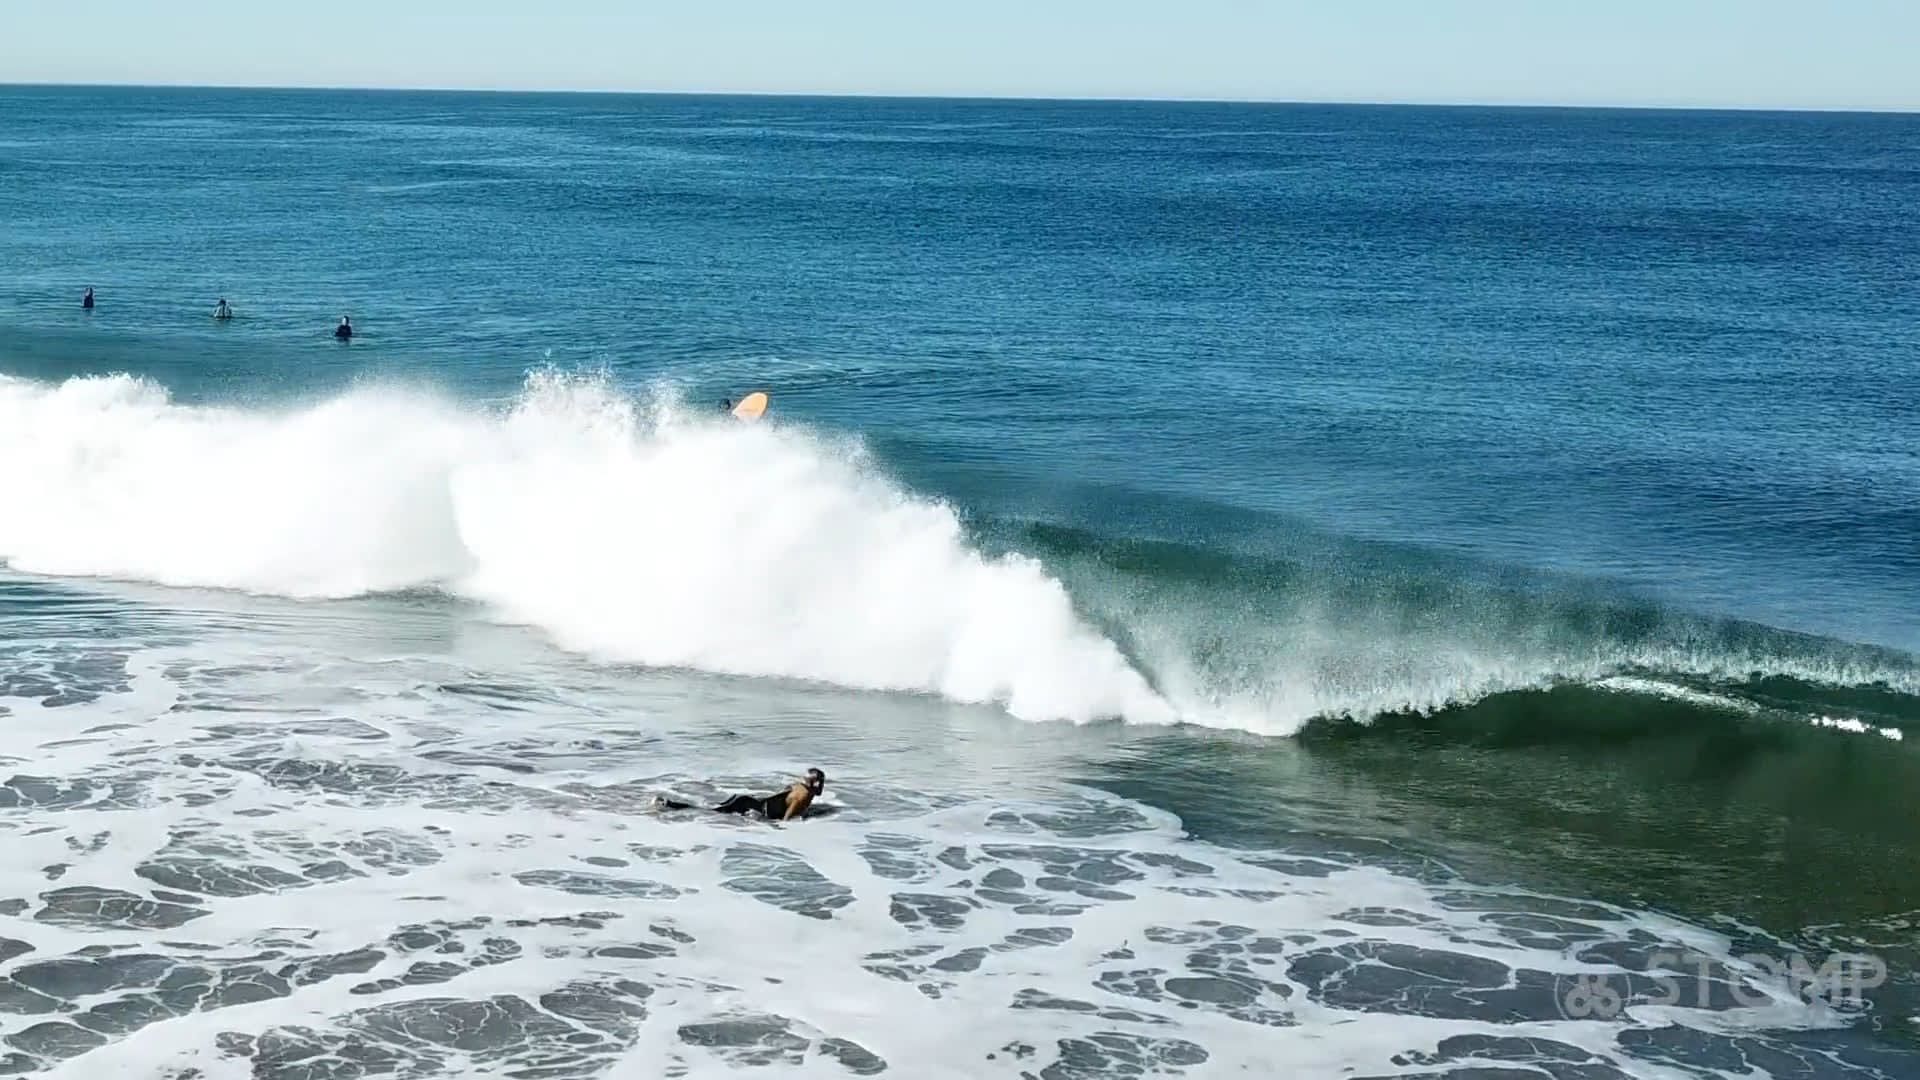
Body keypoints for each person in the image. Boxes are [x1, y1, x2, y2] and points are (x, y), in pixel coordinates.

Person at [653, 768, 826, 821]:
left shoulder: (799, 786)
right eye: (818, 782)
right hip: (751, 805)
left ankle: (668, 804)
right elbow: (788, 819)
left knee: (711, 810)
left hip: (750, 801)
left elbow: (783, 793)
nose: (820, 786)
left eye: (821, 782)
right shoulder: (804, 795)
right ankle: (668, 805)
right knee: (708, 813)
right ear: (811, 782)